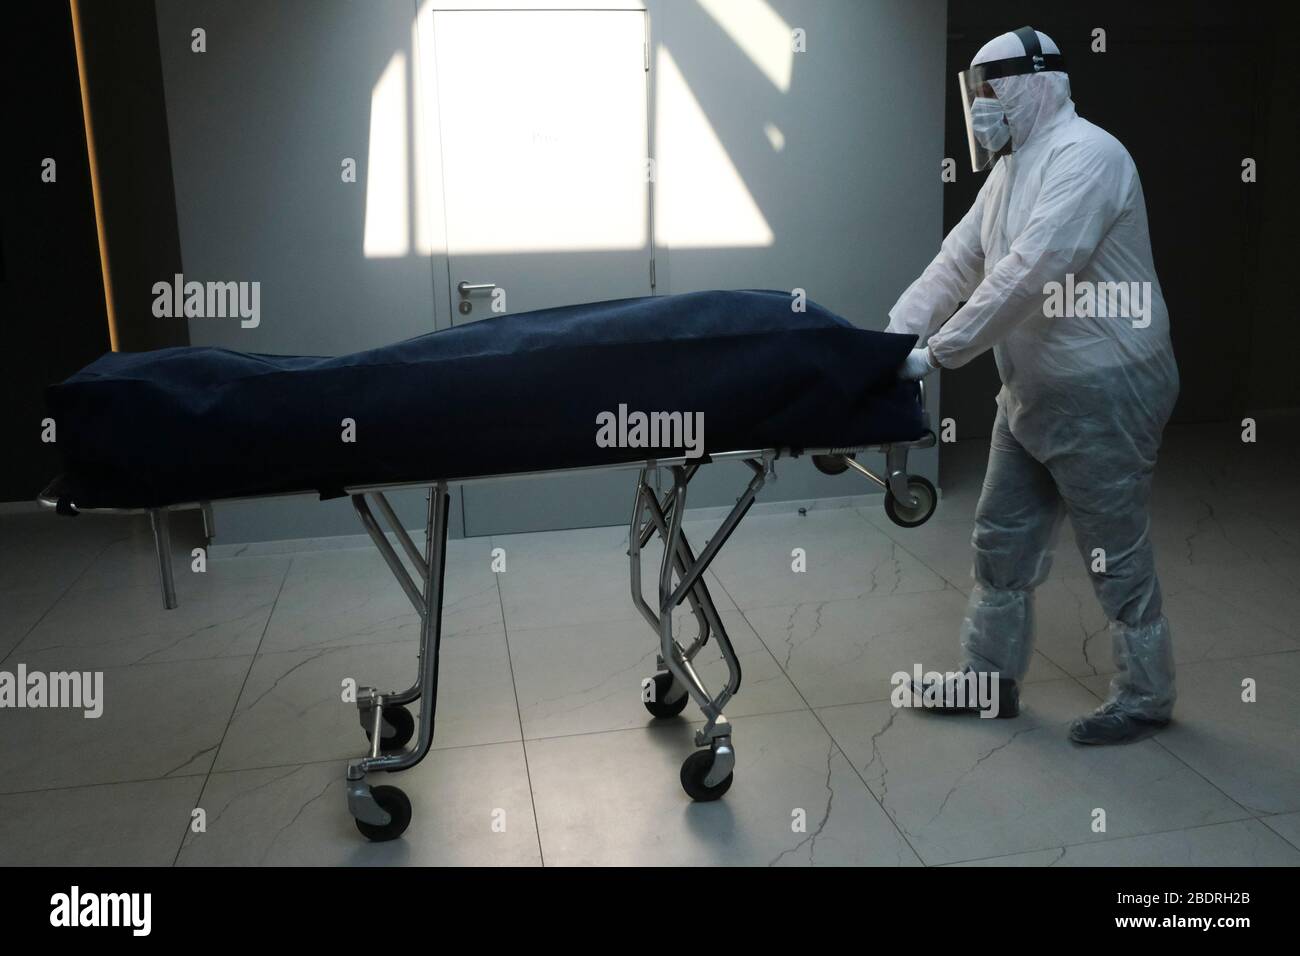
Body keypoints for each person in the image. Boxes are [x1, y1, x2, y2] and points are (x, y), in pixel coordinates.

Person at [889, 27, 1180, 744]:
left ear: (1030, 83)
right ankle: (989, 681)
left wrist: (938, 353)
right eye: (975, 92)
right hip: (1031, 389)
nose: (980, 106)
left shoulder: (1091, 158)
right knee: (1000, 540)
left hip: (1105, 388)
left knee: (1113, 549)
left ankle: (1146, 696)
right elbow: (959, 261)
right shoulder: (1012, 170)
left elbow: (1031, 271)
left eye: (989, 89)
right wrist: (893, 337)